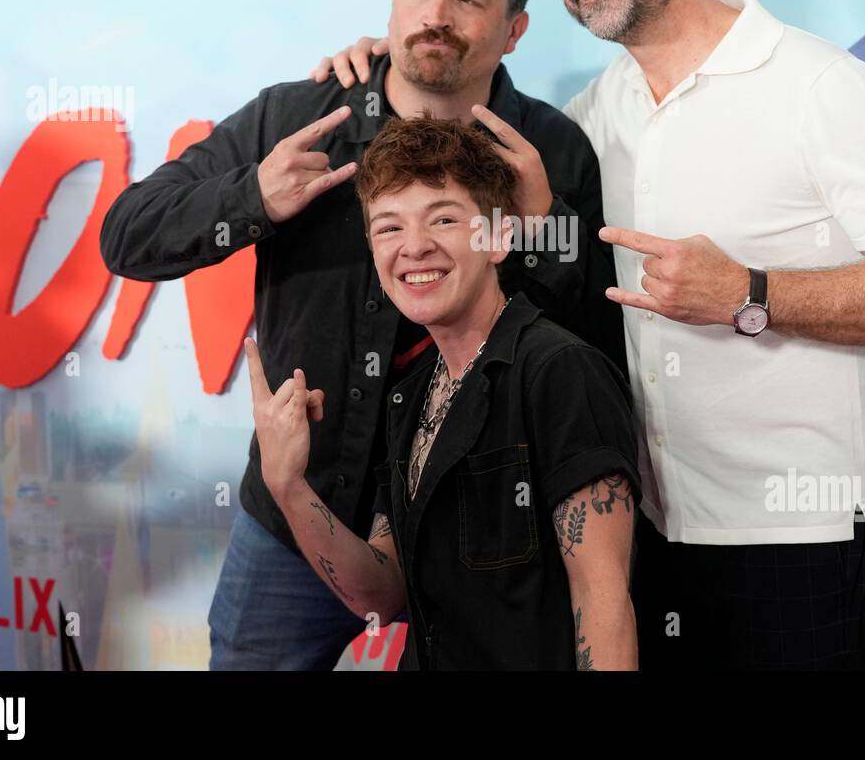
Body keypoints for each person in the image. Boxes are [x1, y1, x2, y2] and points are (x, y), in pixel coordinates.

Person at [312, 0, 865, 670]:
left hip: (800, 541)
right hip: (650, 539)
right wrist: (385, 70)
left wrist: (747, 292)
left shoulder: (819, 86)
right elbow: (486, 191)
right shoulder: (589, 118)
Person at [99, 0, 623, 670]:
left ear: (514, 29)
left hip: (484, 532)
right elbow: (127, 235)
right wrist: (253, 197)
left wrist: (545, 229)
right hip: (297, 518)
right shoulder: (301, 116)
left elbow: (595, 346)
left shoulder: (551, 149)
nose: (435, 14)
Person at [245, 114, 640, 670]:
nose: (415, 247)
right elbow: (381, 595)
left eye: (444, 219)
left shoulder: (560, 373)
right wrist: (287, 486)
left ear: (499, 238)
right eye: (389, 228)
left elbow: (603, 603)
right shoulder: (410, 395)